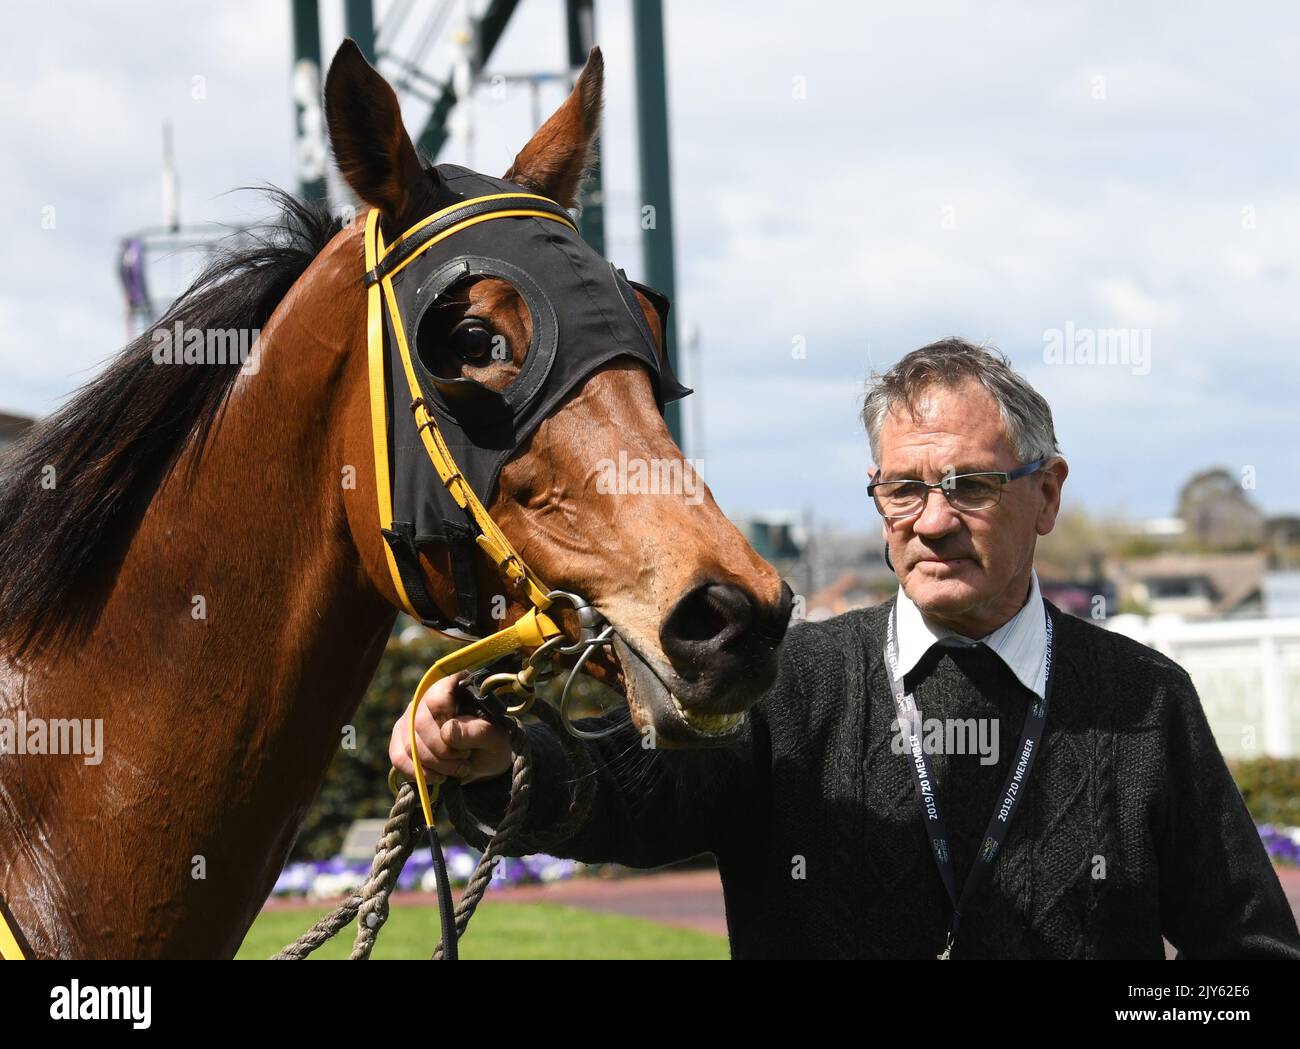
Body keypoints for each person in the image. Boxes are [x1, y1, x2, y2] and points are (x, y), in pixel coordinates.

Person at [389, 337, 1300, 959]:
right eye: (902, 489)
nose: (934, 521)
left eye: (970, 485)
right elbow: (628, 789)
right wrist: (498, 758)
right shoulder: (790, 683)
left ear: (1047, 494)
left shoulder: (1144, 700)